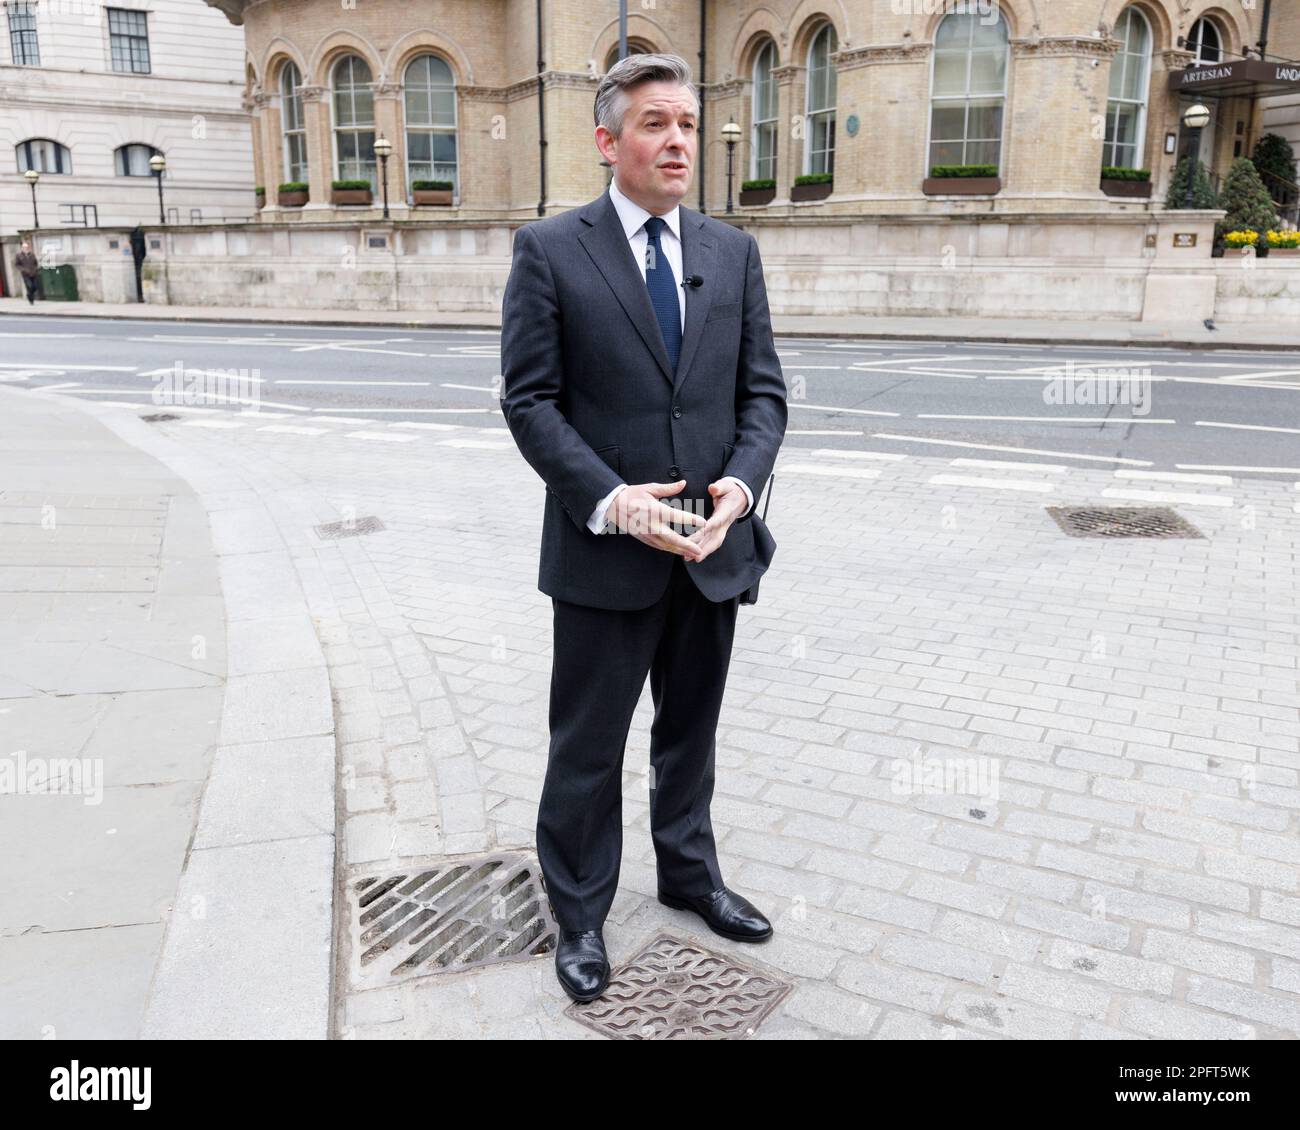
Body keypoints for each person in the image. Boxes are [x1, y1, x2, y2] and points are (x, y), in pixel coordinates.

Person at [500, 52, 787, 1002]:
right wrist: (611, 498)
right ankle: (578, 912)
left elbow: (763, 397)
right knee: (588, 743)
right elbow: (531, 402)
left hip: (711, 548)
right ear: (607, 141)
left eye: (689, 124)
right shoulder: (549, 250)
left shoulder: (732, 252)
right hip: (607, 552)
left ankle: (690, 876)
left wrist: (740, 493)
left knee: (690, 732)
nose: (678, 141)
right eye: (657, 123)